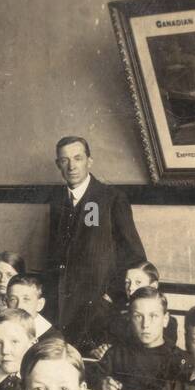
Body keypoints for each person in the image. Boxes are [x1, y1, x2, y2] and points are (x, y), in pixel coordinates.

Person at [45, 135, 148, 348]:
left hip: (96, 313)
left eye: (78, 158)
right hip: (61, 310)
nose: (72, 166)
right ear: (58, 165)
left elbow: (136, 257)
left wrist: (110, 298)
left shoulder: (111, 198)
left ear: (89, 161)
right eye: (65, 160)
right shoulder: (57, 202)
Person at [99, 287, 190, 390]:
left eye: (153, 316)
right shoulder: (117, 353)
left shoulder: (180, 360)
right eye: (138, 316)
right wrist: (102, 383)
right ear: (129, 318)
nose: (145, 324)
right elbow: (91, 374)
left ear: (165, 320)